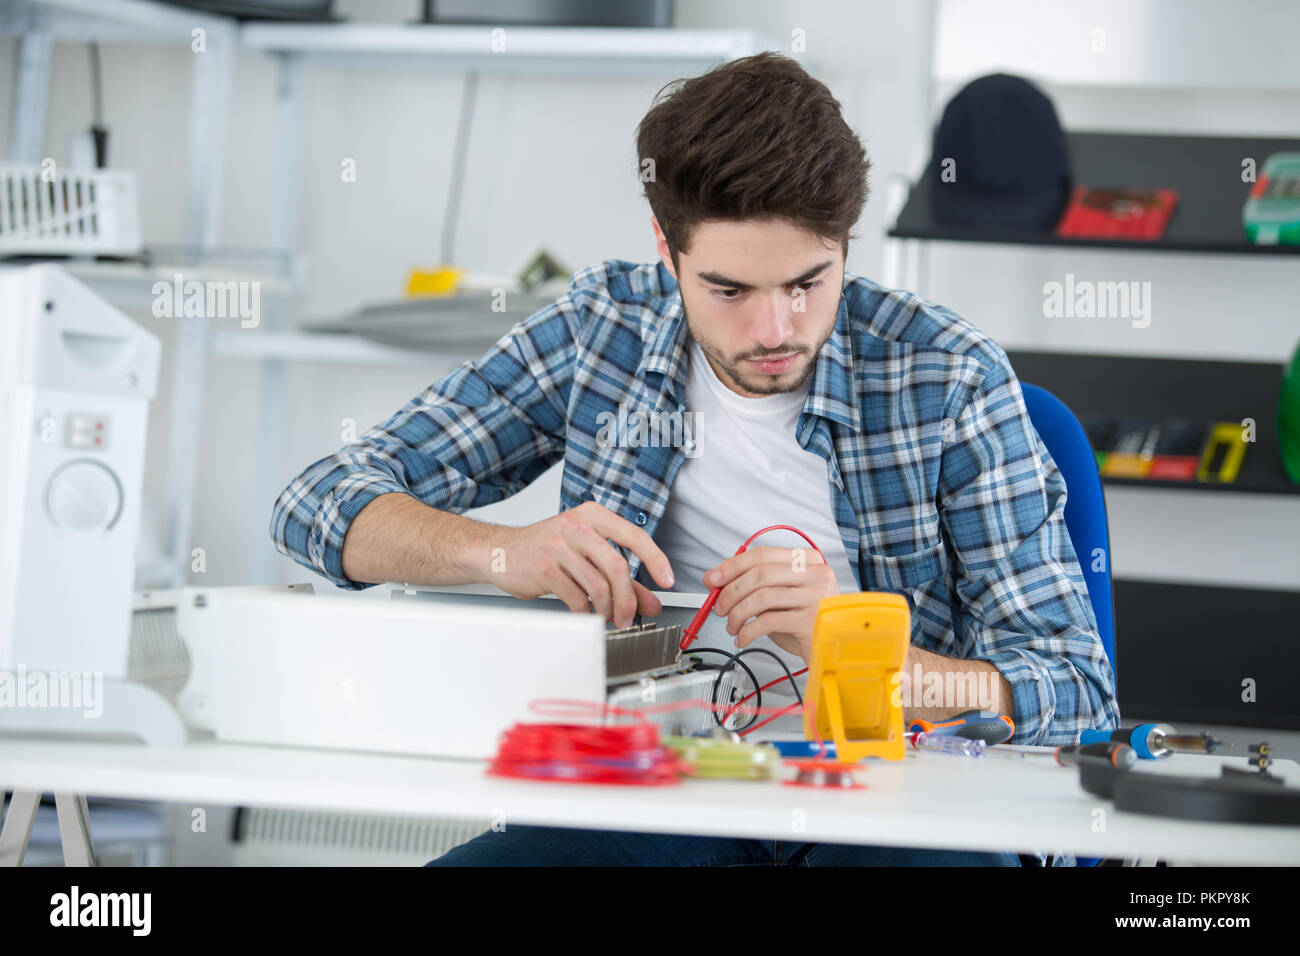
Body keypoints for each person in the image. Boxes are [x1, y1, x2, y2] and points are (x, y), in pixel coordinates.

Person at [271, 52, 1118, 867]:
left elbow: (1076, 690)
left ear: (848, 243)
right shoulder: (602, 330)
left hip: (899, 799)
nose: (775, 330)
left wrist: (865, 648)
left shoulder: (948, 373)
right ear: (666, 248)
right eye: (729, 290)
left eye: (807, 282)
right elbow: (314, 504)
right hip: (663, 791)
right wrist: (503, 551)